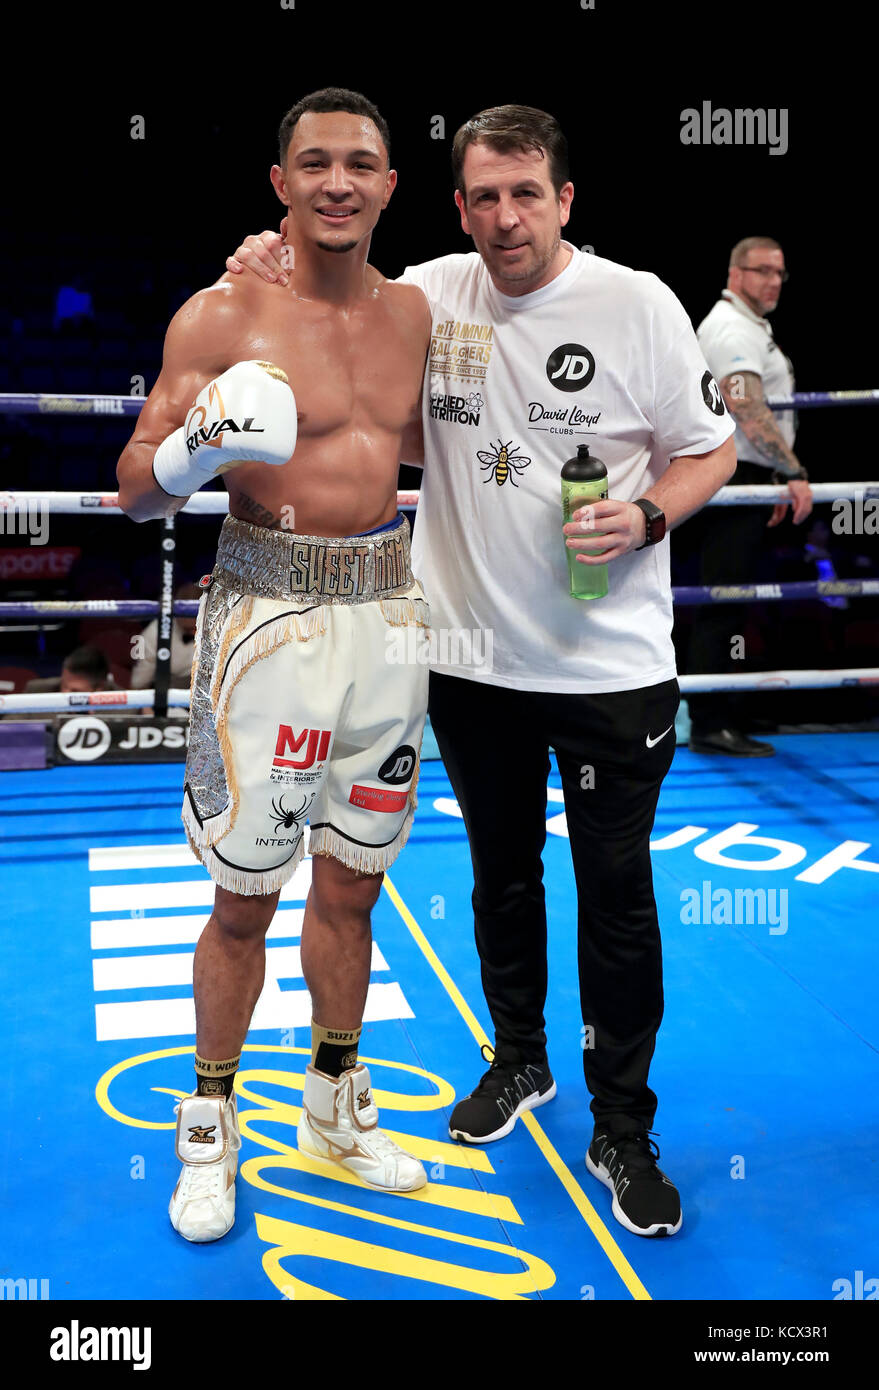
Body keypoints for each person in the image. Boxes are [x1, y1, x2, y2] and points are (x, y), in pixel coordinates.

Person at [227, 103, 737, 1239]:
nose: (507, 217)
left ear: (566, 200)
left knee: (615, 903)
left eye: (528, 193)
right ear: (457, 207)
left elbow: (714, 445)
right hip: (463, 662)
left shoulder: (637, 303)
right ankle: (519, 1060)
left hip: (607, 669)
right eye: (485, 196)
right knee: (501, 880)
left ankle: (622, 1123)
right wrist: (259, 260)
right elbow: (335, 326)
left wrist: (652, 511)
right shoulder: (432, 293)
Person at [116, 88, 434, 1244]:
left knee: (354, 884)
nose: (338, 181)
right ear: (281, 183)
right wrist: (198, 448)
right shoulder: (220, 313)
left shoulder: (424, 313)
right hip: (265, 618)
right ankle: (209, 1128)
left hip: (390, 616)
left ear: (391, 185)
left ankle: (334, 1108)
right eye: (316, 164)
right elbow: (134, 481)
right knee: (243, 897)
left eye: (360, 163)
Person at [685, 237, 814, 756]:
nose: (774, 281)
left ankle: (725, 713)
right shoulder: (731, 326)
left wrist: (773, 478)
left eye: (781, 273)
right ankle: (712, 722)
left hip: (746, 478)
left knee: (732, 602)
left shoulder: (750, 326)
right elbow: (744, 403)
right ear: (736, 274)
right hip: (730, 479)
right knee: (722, 600)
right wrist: (792, 469)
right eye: (763, 271)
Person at [130, 581, 201, 696]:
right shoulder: (153, 635)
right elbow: (139, 684)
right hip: (169, 699)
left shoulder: (220, 628)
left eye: (195, 628)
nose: (193, 632)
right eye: (187, 629)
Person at [25, 644, 113, 693]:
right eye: (63, 686)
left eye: (75, 691)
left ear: (99, 689)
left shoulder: (123, 704)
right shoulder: (36, 691)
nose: (65, 693)